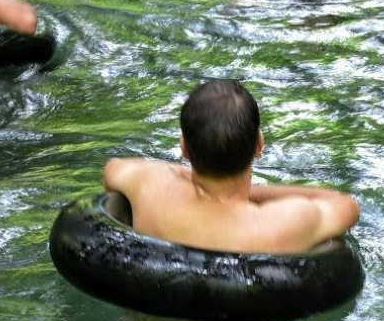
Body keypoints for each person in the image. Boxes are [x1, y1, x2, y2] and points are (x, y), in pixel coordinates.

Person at [103, 79, 360, 254]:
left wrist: (180, 174)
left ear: (184, 147)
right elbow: (345, 205)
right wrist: (254, 193)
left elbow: (112, 169)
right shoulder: (284, 222)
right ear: (259, 144)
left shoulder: (150, 183)